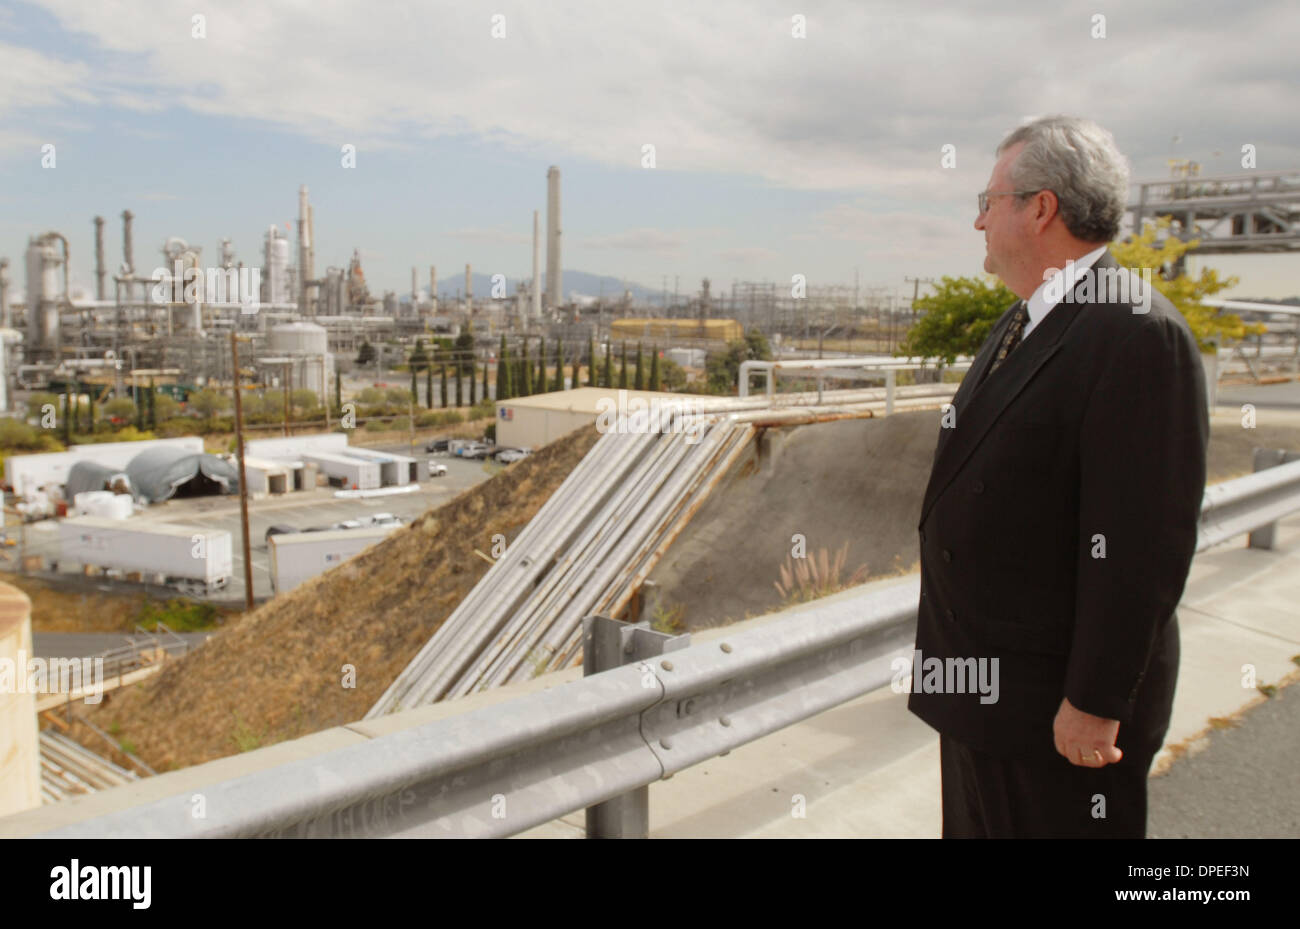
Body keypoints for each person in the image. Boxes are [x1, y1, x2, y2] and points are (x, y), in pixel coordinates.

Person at [907, 115, 1209, 838]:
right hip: (985, 694)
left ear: (1041, 207)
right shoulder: (1026, 319)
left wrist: (1096, 701)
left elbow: (1142, 544)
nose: (979, 221)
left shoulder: (1137, 333)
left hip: (1054, 712)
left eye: (989, 200)